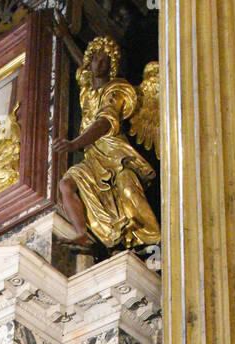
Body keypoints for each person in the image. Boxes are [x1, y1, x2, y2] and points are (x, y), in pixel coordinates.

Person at [53, 35, 160, 252]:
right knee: (66, 185)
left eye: (105, 62)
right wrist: (64, 35)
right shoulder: (87, 92)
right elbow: (80, 64)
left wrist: (74, 145)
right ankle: (82, 234)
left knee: (128, 190)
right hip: (94, 156)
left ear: (111, 67)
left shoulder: (116, 91)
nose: (99, 65)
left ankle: (155, 239)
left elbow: (104, 122)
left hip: (114, 153)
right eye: (96, 60)